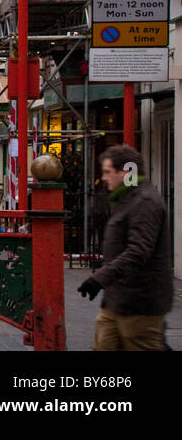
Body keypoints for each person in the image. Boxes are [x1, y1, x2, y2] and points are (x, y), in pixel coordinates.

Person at [78, 145, 171, 351]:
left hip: (140, 301)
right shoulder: (127, 199)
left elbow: (139, 251)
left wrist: (100, 278)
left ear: (126, 172)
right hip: (117, 299)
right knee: (103, 345)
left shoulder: (144, 202)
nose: (103, 178)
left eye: (107, 172)